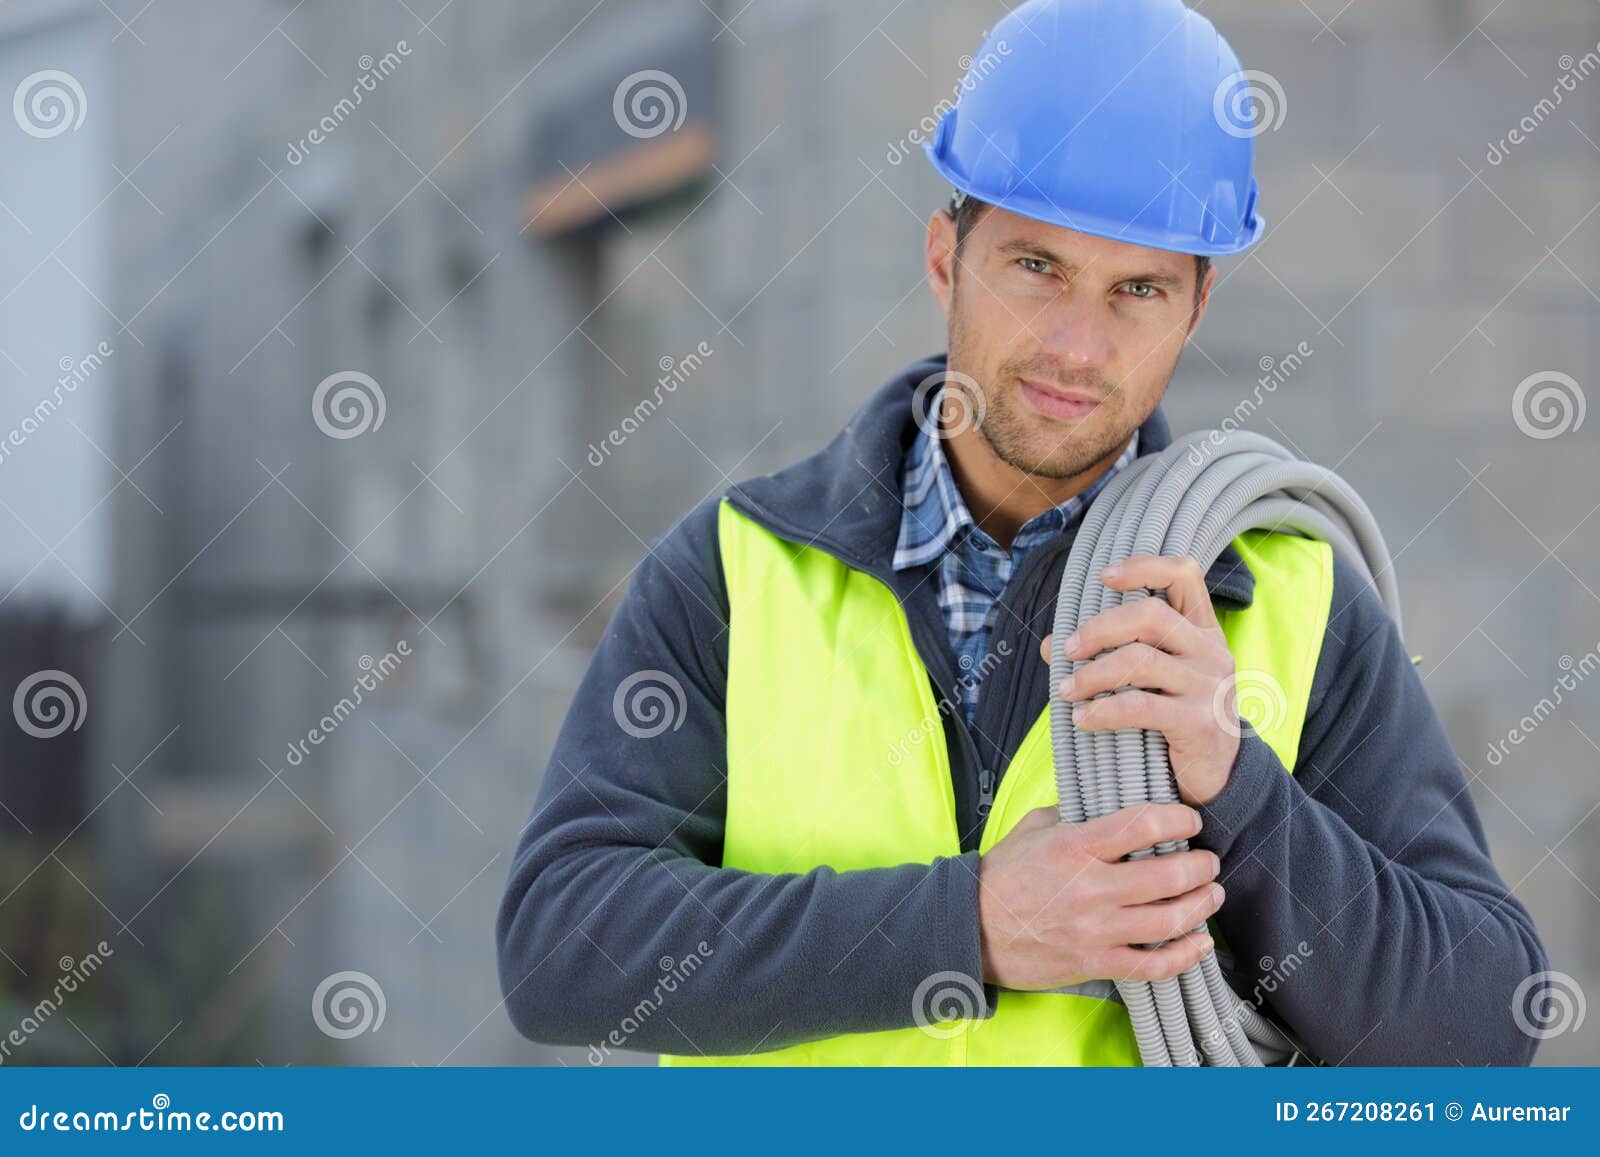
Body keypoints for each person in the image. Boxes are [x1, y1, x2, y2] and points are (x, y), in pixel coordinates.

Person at [496, 0, 1546, 1065]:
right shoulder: (738, 567)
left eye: (1136, 289)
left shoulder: (1293, 602)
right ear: (946, 259)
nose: (1076, 347)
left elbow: (1480, 1030)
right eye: (1035, 266)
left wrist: (1236, 780)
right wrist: (974, 925)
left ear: (1194, 307)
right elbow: (562, 948)